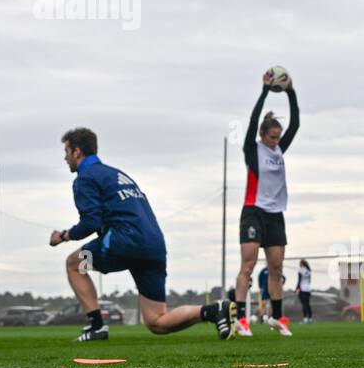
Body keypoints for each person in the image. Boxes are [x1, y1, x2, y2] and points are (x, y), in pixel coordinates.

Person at [50, 127, 232, 342]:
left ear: (77, 152)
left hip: (124, 242)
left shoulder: (85, 178)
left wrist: (64, 236)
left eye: (66, 151)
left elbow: (91, 222)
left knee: (74, 264)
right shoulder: (118, 174)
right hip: (153, 247)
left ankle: (96, 326)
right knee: (156, 321)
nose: (65, 157)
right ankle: (213, 311)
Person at [235, 70, 300, 337]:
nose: (276, 141)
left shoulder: (278, 150)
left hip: (275, 214)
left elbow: (295, 124)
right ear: (263, 134)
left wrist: (291, 92)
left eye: (278, 137)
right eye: (272, 137)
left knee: (276, 268)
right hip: (253, 212)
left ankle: (278, 317)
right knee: (248, 266)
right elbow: (253, 119)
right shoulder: (253, 149)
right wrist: (264, 90)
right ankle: (240, 318)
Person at [296, 259, 313, 323]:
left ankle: (305, 318)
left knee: (304, 304)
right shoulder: (308, 271)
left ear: (301, 264)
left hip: (302, 289)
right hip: (308, 289)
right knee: (308, 304)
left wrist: (296, 289)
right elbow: (309, 281)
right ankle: (310, 318)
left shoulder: (301, 270)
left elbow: (299, 281)